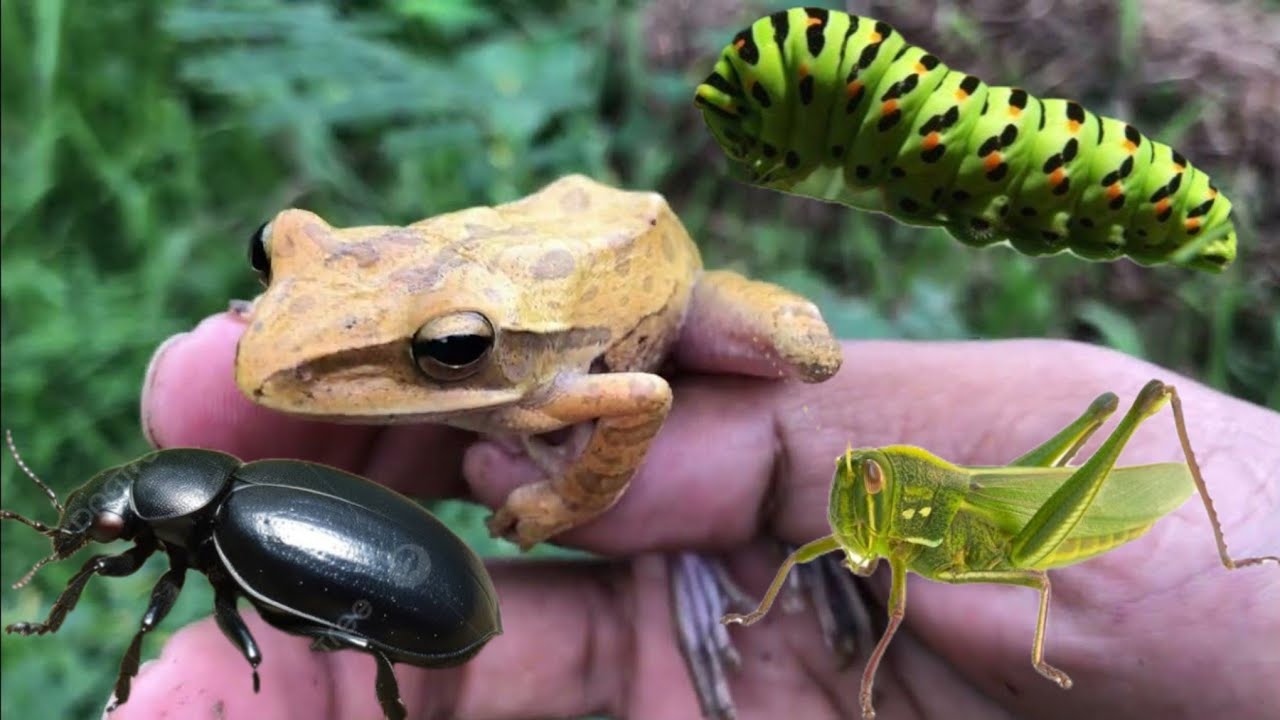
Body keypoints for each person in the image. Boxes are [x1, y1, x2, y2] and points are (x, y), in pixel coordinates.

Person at [113, 312, 1279, 720]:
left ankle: (1230, 533)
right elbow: (839, 565)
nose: (854, 507)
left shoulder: (954, 540)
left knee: (1103, 443)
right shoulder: (856, 525)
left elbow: (964, 589)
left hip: (1032, 527)